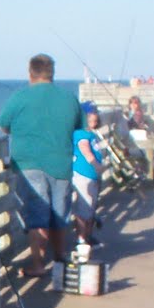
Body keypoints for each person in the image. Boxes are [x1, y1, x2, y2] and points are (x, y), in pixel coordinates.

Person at [0, 53, 82, 270]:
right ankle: (60, 259)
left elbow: (3, 126)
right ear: (52, 73)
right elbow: (78, 128)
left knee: (37, 214)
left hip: (28, 164)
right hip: (61, 163)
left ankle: (38, 264)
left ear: (30, 73)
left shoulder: (19, 97)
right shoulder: (68, 98)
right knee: (60, 213)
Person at [70, 102, 104, 249]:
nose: (94, 117)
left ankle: (87, 237)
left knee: (90, 207)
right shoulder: (81, 134)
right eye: (90, 115)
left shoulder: (91, 133)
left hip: (92, 175)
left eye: (95, 115)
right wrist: (95, 164)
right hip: (84, 174)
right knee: (84, 207)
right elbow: (84, 149)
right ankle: (82, 239)